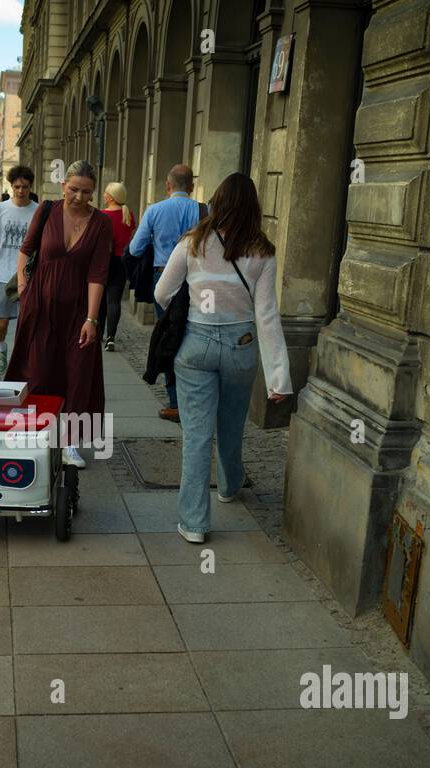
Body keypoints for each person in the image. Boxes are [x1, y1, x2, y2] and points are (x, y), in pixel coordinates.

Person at [154, 172, 293, 544]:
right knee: (231, 425)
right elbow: (267, 316)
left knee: (197, 436)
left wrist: (193, 311)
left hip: (196, 344)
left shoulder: (193, 242)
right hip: (241, 345)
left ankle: (194, 524)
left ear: (216, 201)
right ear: (253, 208)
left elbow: (162, 292)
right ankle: (230, 485)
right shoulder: (262, 251)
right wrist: (279, 379)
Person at [6, 160, 112, 469]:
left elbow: (98, 274)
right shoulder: (48, 210)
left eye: (87, 192)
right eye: (74, 189)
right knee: (36, 371)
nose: (79, 197)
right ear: (63, 184)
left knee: (79, 376)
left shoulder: (101, 224)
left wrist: (92, 320)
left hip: (79, 310)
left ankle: (71, 443)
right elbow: (26, 249)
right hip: (39, 306)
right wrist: (24, 288)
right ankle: (36, 435)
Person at [127, 164, 206, 422]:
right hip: (196, 280)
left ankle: (175, 402)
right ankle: (194, 399)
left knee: (170, 337)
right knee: (194, 335)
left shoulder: (155, 211)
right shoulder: (205, 211)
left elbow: (136, 248)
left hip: (165, 279)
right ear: (191, 186)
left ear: (167, 186)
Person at [0, 164, 38, 376]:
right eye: (17, 187)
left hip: (30, 276)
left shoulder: (38, 211)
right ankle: (1, 348)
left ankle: (24, 357)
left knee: (28, 322)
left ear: (30, 186)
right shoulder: (0, 209)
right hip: (4, 274)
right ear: (11, 186)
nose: (21, 191)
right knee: (2, 321)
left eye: (24, 187)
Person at [97, 181, 136, 352]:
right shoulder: (129, 215)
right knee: (114, 301)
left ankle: (98, 334)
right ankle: (111, 337)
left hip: (103, 261)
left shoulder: (101, 215)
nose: (104, 195)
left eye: (106, 193)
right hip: (121, 262)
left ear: (111, 197)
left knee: (100, 301)